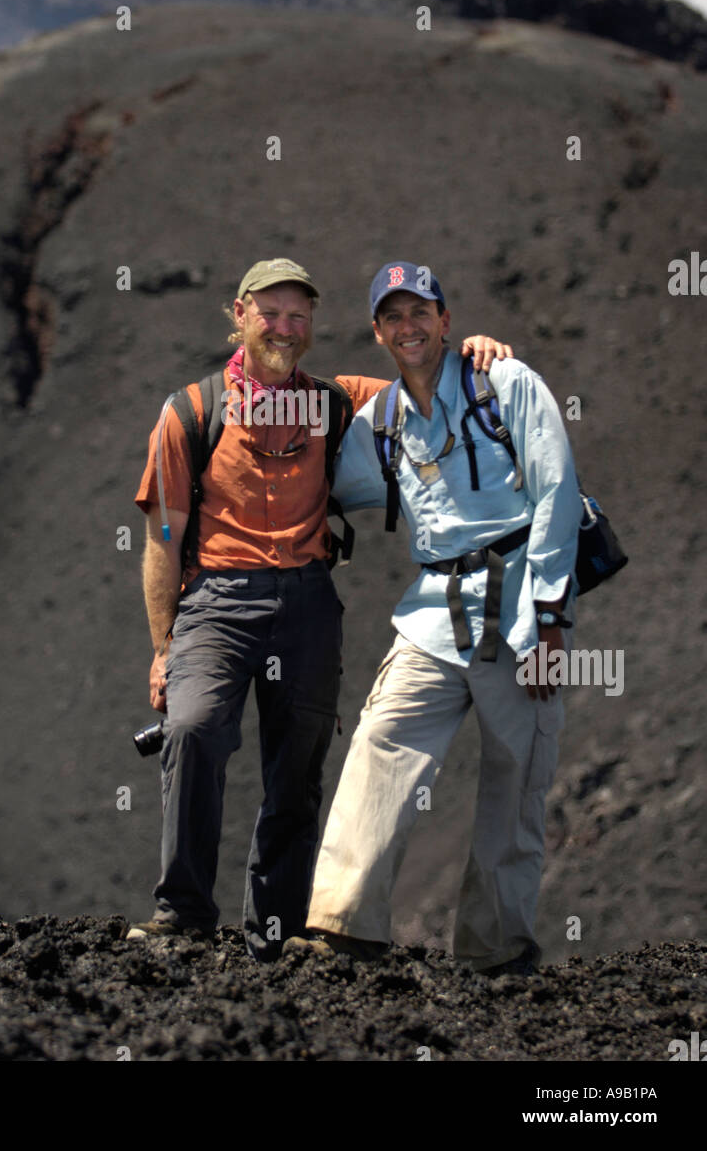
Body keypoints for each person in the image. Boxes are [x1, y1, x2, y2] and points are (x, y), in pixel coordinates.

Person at [128, 257, 512, 962]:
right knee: (191, 730)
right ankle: (182, 913)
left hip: (306, 603)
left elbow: (423, 380)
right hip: (215, 603)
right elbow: (162, 538)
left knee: (297, 771)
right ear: (238, 314)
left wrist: (477, 354)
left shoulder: (339, 401)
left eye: (298, 316)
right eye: (270, 313)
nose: (284, 327)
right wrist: (162, 646)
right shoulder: (189, 410)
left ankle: (272, 936)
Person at [287, 261, 581, 975]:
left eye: (420, 311)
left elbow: (557, 497)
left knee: (514, 779)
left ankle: (494, 951)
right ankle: (342, 927)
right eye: (392, 316)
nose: (407, 326)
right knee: (382, 742)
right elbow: (325, 488)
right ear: (378, 333)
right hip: (432, 616)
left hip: (519, 611)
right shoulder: (378, 422)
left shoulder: (504, 385)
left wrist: (549, 622)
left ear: (445, 321)